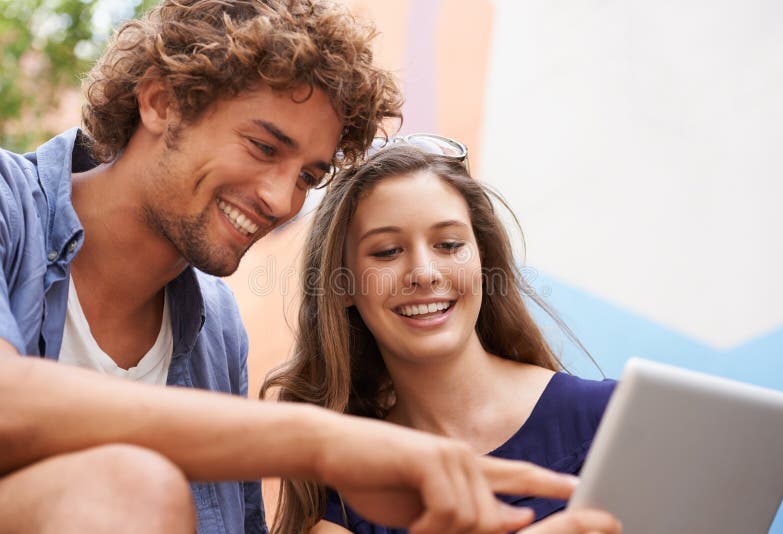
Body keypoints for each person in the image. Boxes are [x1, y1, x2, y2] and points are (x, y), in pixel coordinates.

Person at [0, 1, 588, 533]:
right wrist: (321, 443)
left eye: (308, 176)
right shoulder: (9, 206)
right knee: (132, 488)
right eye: (263, 147)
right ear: (161, 102)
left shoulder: (215, 329)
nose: (283, 201)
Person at [262, 141, 622, 534]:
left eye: (449, 245)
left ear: (483, 260)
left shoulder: (616, 420)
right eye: (387, 251)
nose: (424, 272)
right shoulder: (346, 510)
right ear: (343, 285)